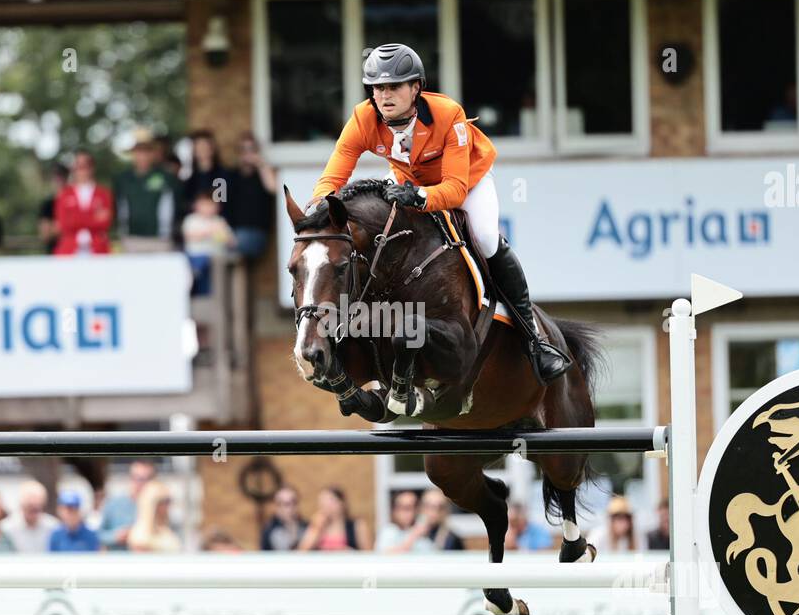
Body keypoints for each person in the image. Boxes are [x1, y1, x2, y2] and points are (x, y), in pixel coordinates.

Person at [307, 43, 569, 384]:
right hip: (408, 182)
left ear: (416, 87)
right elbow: (333, 177)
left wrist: (420, 197)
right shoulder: (362, 119)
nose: (384, 96)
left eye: (394, 87)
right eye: (377, 87)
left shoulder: (448, 115)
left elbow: (455, 189)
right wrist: (317, 207)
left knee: (487, 238)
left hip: (468, 181)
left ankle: (534, 339)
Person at [114, 130, 179, 247]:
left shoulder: (167, 177)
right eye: (139, 151)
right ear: (133, 153)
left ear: (153, 154)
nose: (142, 156)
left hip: (160, 239)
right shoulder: (122, 179)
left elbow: (176, 206)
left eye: (147, 151)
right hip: (131, 238)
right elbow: (118, 207)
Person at [227, 132, 276, 262]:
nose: (247, 153)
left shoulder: (263, 174)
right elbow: (217, 201)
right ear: (238, 153)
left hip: (255, 233)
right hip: (231, 232)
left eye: (251, 149)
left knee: (229, 247)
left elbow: (273, 188)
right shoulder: (229, 175)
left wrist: (260, 163)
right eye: (243, 149)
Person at [54, 149, 113, 255]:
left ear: (92, 168)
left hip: (97, 249)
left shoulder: (104, 194)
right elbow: (63, 224)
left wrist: (75, 217)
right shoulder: (64, 194)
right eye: (78, 166)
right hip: (70, 250)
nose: (81, 170)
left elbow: (105, 222)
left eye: (85, 166)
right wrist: (92, 217)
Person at [182, 192, 235, 295]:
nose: (207, 208)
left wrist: (224, 233)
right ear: (196, 206)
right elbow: (189, 236)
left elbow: (232, 242)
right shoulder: (192, 220)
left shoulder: (220, 221)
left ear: (217, 207)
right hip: (195, 256)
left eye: (211, 205)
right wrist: (210, 231)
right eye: (204, 205)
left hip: (216, 259)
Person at [96, 460, 156, 550]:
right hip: (118, 561)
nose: (142, 483)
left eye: (148, 479)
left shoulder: (158, 506)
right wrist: (116, 536)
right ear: (130, 478)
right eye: (138, 478)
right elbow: (98, 535)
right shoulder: (113, 503)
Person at [297, 486, 367, 551]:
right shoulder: (317, 526)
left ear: (342, 503)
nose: (327, 506)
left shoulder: (357, 525)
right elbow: (302, 552)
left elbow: (369, 554)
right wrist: (316, 528)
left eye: (331, 501)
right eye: (323, 502)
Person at [1, 480, 60, 554]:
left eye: (37, 508)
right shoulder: (6, 528)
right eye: (29, 506)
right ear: (21, 505)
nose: (33, 511)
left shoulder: (53, 527)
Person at [126, 481, 183, 553]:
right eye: (165, 501)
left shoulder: (167, 529)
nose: (168, 505)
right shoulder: (140, 534)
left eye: (169, 501)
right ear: (153, 504)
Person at [260, 486, 307, 551]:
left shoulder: (307, 527)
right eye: (286, 504)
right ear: (277, 507)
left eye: (294, 502)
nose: (291, 508)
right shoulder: (270, 530)